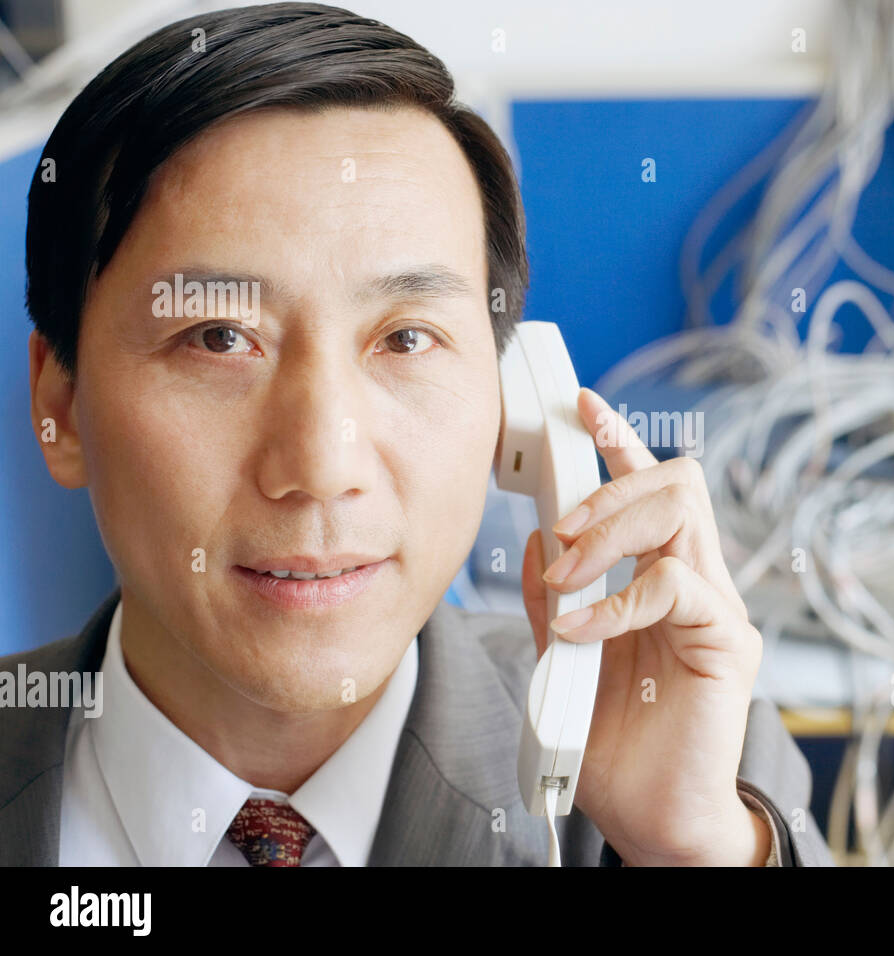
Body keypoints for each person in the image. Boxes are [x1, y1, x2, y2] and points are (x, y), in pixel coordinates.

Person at [0, 2, 833, 867]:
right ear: (60, 406)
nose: (323, 466)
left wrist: (688, 852)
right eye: (219, 338)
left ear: (513, 404)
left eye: (405, 339)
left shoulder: (698, 760)